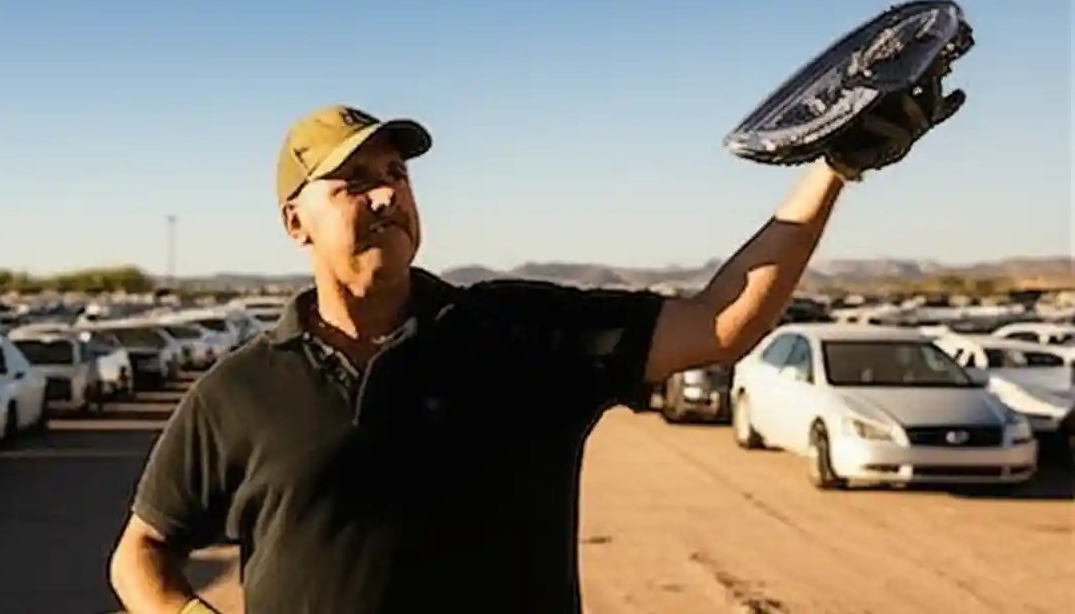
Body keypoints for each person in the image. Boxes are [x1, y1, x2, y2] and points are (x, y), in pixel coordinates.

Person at [108, 101, 942, 614]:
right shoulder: (240, 389)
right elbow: (142, 552)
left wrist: (833, 171)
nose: (387, 194)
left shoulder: (518, 334)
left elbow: (718, 322)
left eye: (395, 173)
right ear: (297, 224)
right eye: (353, 181)